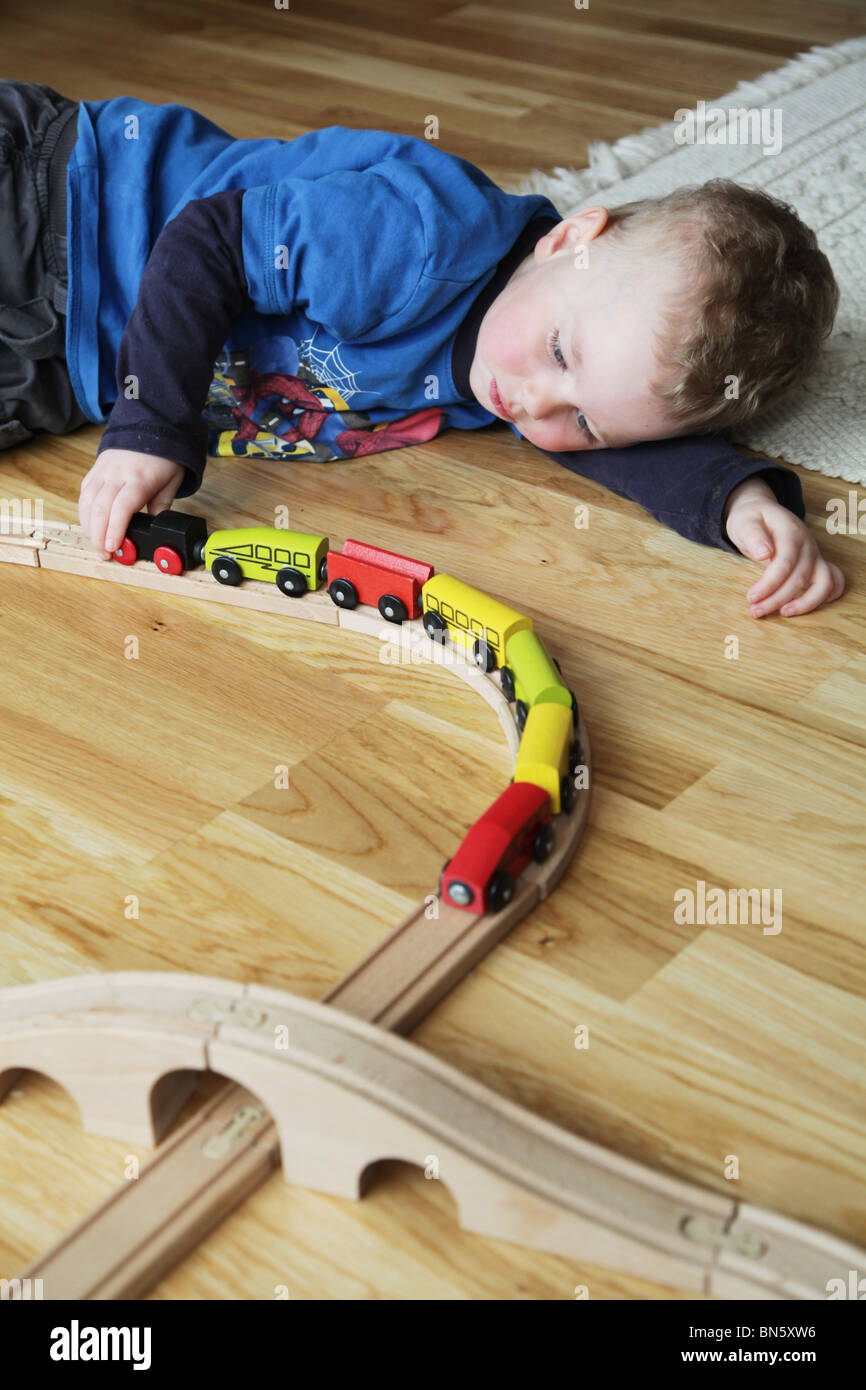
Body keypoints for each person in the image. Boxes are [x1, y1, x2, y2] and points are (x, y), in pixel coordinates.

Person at [0, 82, 844, 619]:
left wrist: (736, 499)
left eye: (581, 420)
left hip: (69, 370)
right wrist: (151, 427)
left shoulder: (531, 367)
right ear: (569, 241)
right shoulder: (420, 239)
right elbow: (202, 246)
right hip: (63, 206)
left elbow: (627, 429)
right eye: (558, 353)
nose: (531, 401)